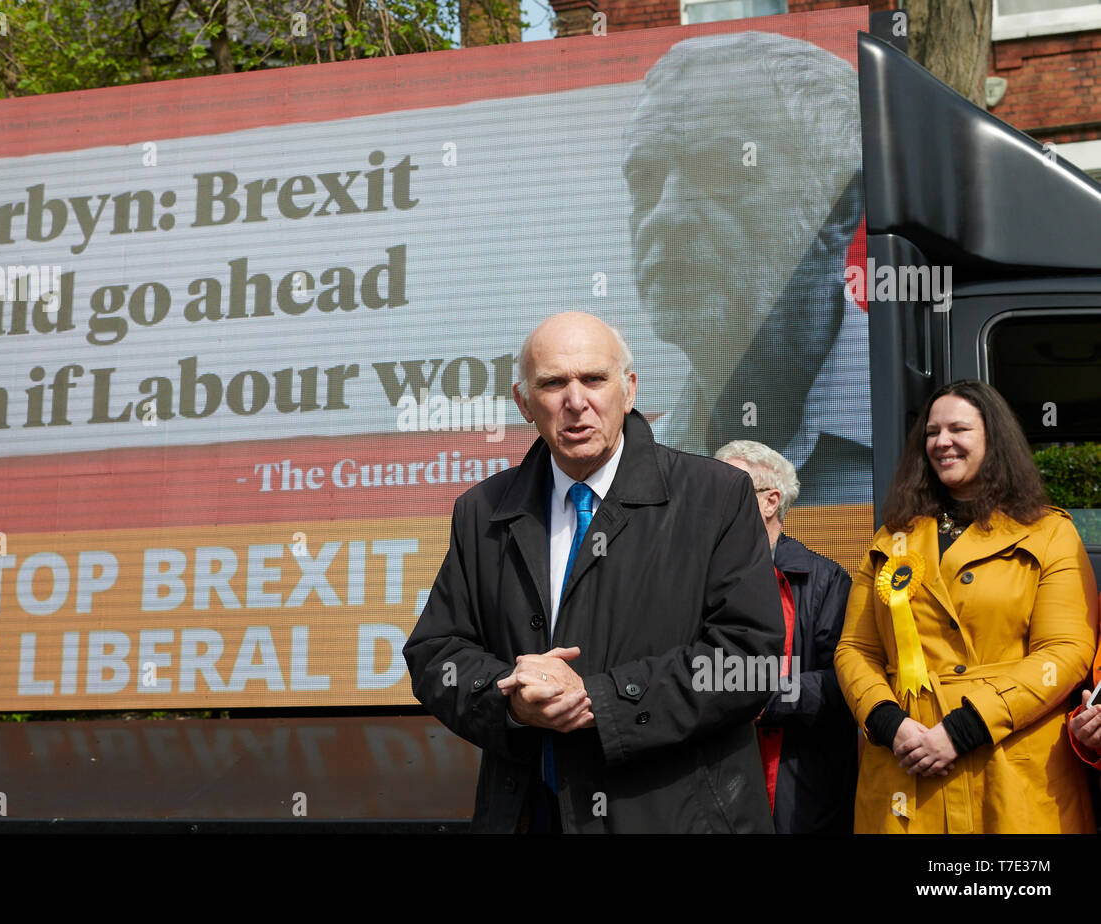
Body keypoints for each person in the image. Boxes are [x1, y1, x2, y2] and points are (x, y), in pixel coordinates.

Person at [402, 310, 785, 833]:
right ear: (524, 403)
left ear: (628, 390)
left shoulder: (715, 496)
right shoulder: (482, 509)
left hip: (674, 817)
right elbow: (435, 653)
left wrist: (599, 701)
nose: (575, 401)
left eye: (594, 379)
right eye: (553, 383)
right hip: (528, 814)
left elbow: (748, 657)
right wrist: (512, 699)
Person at [834, 380, 1098, 832]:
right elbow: (855, 649)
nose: (942, 442)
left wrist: (964, 729)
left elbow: (1065, 652)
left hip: (1010, 772)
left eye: (959, 429)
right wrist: (886, 720)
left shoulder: (1050, 533)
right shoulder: (890, 538)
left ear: (994, 439)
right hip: (906, 770)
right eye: (931, 432)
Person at [624, 31, 870, 504]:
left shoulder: (923, 426)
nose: (666, 216)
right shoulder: (636, 474)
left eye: (724, 169)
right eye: (644, 180)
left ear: (839, 210)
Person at [715, 439, 856, 833]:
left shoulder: (825, 581)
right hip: (716, 781)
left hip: (801, 786)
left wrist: (762, 698)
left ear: (770, 501)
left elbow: (843, 681)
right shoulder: (695, 579)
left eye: (726, 489)